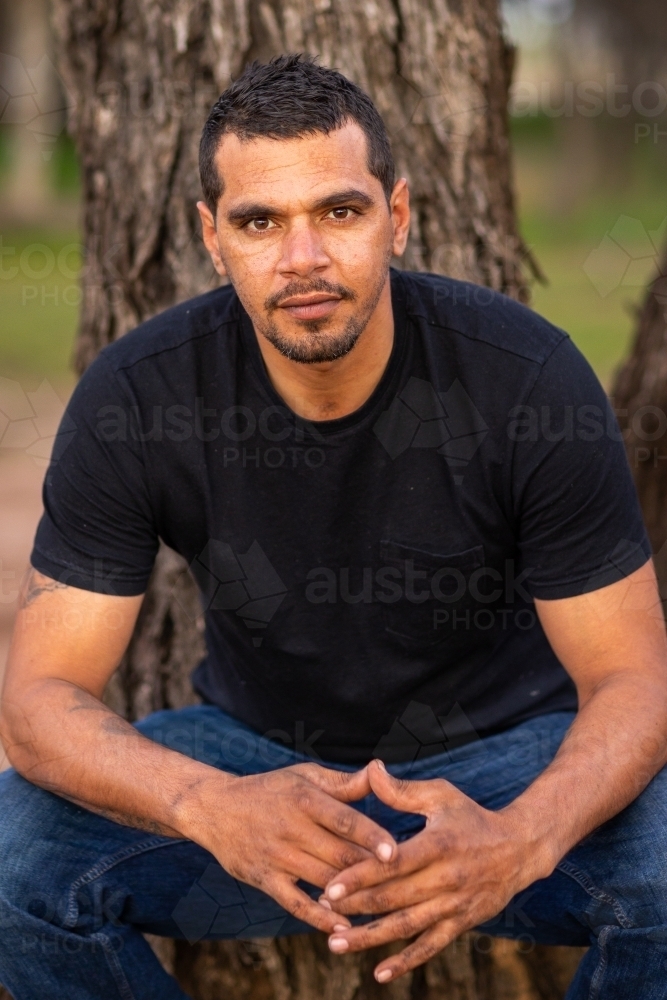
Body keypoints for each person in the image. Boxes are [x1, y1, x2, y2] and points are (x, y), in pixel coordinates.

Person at [1, 53, 666, 1000]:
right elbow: (37, 702)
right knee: (13, 860)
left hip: (505, 764)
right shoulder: (139, 396)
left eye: (338, 213)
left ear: (395, 217)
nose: (301, 258)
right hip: (254, 759)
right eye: (259, 222)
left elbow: (634, 681)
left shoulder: (524, 378)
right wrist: (208, 804)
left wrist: (522, 836)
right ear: (211, 236)